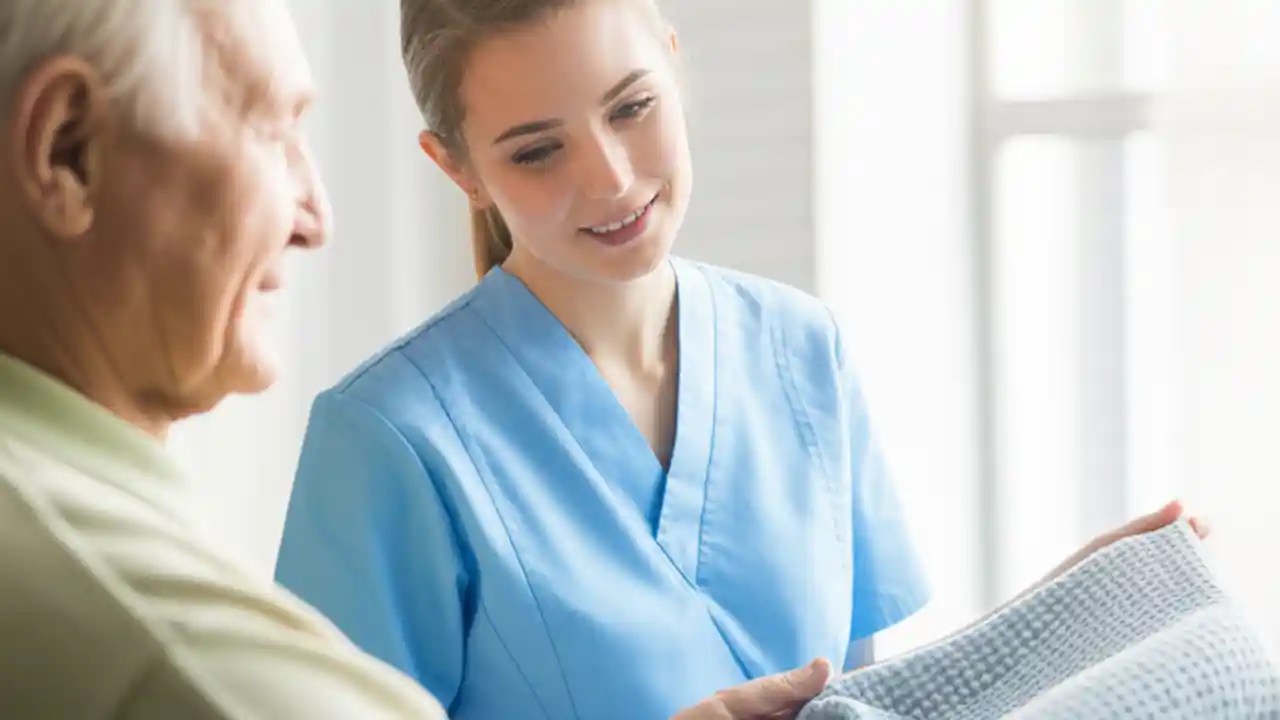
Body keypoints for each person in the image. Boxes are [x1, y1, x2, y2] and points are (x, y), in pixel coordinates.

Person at [274, 1, 1207, 718]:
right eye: (537, 152)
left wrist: (1067, 615)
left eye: (631, 107)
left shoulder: (803, 350)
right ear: (459, 169)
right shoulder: (389, 441)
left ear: (674, 65)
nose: (610, 177)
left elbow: (869, 701)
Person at [0, 1, 830, 717]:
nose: (316, 216)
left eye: (632, 106)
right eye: (269, 129)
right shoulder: (181, 640)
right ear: (66, 150)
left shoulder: (801, 348)